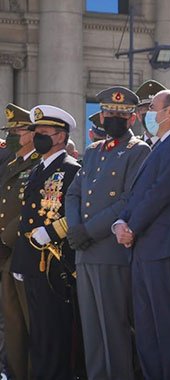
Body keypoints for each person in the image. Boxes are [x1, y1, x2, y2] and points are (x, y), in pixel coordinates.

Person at [114, 89, 170, 380]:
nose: (146, 113)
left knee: (168, 325)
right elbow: (138, 194)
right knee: (147, 326)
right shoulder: (160, 145)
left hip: (164, 246)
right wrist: (120, 223)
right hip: (144, 247)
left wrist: (132, 227)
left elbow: (160, 193)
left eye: (152, 107)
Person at [65, 87, 151, 380]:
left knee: (113, 327)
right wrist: (75, 229)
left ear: (131, 118)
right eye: (109, 113)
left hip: (111, 250)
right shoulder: (93, 151)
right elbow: (74, 193)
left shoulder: (138, 150)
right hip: (85, 251)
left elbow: (128, 199)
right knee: (91, 328)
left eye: (120, 114)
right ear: (100, 115)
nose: (113, 118)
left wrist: (88, 229)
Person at [10, 105, 82, 379]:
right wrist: (21, 259)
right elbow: (27, 217)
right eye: (35, 132)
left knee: (54, 332)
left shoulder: (70, 169)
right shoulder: (37, 168)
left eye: (43, 132)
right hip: (31, 260)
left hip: (54, 262)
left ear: (60, 137)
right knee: (38, 331)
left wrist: (51, 233)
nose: (37, 137)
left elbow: (73, 215)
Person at [0, 104, 37, 380]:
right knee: (11, 320)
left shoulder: (37, 163)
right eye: (11, 130)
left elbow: (30, 208)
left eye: (19, 130)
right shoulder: (10, 163)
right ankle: (15, 373)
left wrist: (5, 239)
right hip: (4, 252)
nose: (14, 135)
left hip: (23, 249)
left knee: (29, 319)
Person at [134, 80, 166, 146]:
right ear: (139, 115)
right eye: (147, 108)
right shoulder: (133, 147)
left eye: (155, 108)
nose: (151, 112)